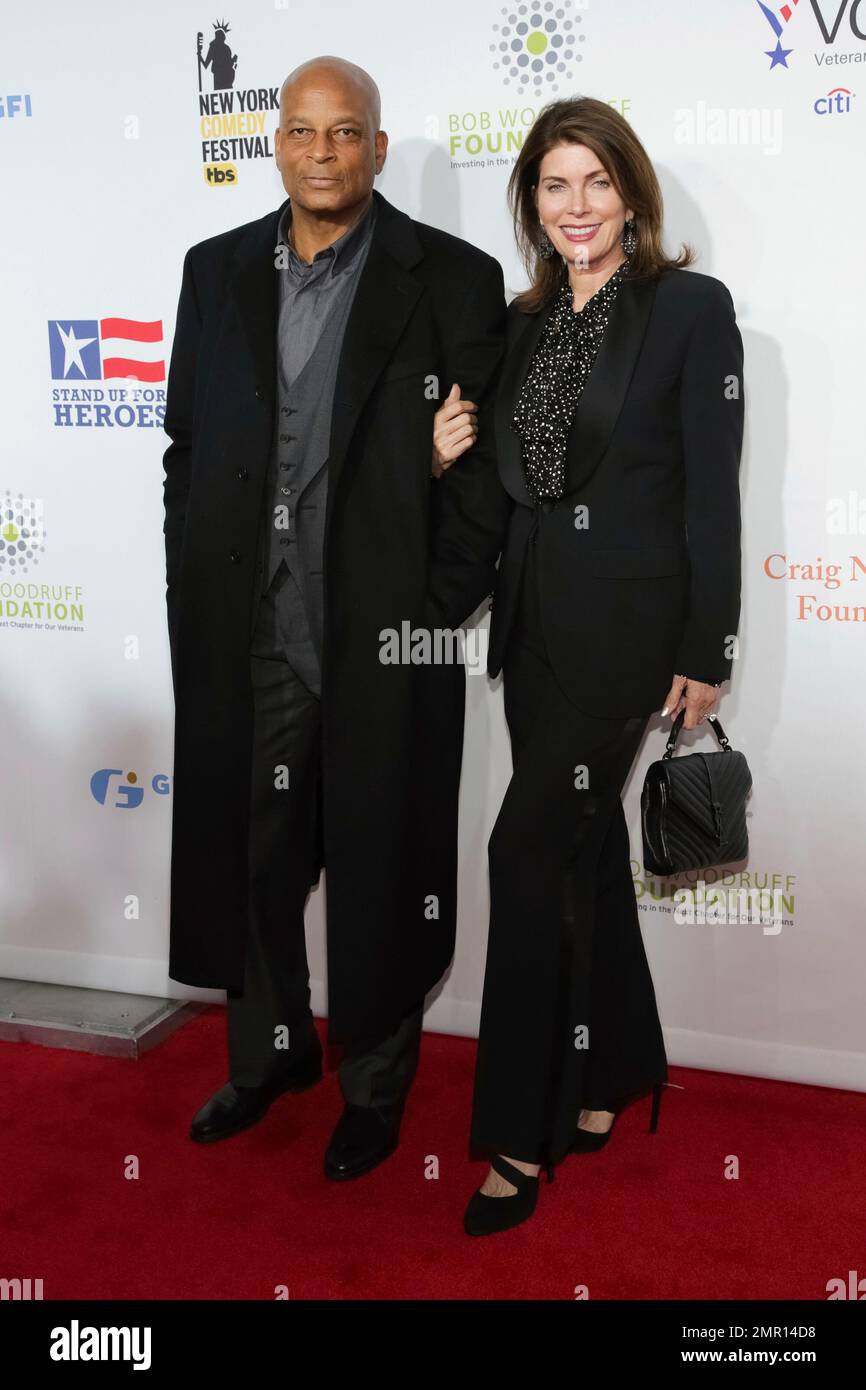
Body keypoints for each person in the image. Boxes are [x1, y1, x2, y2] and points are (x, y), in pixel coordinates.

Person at [162, 55, 509, 1181]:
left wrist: (429, 605)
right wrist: (192, 577)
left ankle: (373, 1087)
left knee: (381, 857)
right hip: (251, 634)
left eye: (344, 132)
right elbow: (185, 446)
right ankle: (269, 1059)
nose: (322, 152)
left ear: (375, 143)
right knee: (254, 859)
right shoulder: (213, 273)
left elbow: (481, 478)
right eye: (302, 132)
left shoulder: (450, 278)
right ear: (274, 142)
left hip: (380, 638)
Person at [433, 96, 744, 1235]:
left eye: (595, 183)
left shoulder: (685, 309)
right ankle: (614, 1067)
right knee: (579, 856)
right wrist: (441, 452)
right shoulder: (517, 327)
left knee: (522, 853)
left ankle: (517, 1134)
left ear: (630, 194)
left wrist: (705, 645)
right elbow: (504, 486)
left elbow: (712, 489)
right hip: (533, 637)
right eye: (553, 185)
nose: (575, 206)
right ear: (530, 202)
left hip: (628, 644)